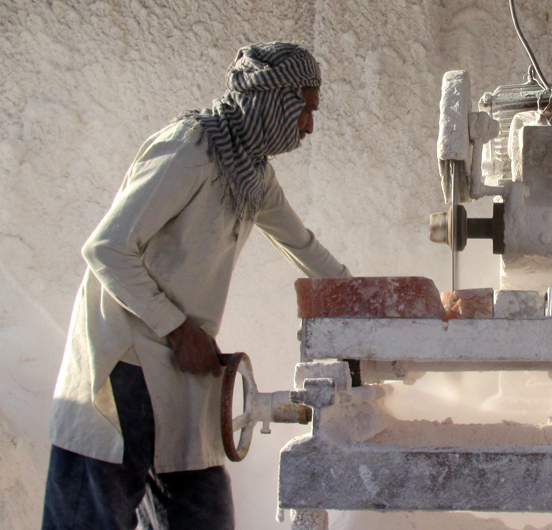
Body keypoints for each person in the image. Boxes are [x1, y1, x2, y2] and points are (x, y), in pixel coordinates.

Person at [41, 42, 350, 530]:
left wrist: (365, 299)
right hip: (123, 368)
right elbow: (106, 249)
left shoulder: (252, 174)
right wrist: (178, 328)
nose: (309, 126)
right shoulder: (188, 149)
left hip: (183, 374)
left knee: (201, 514)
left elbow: (304, 247)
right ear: (273, 101)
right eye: (305, 108)